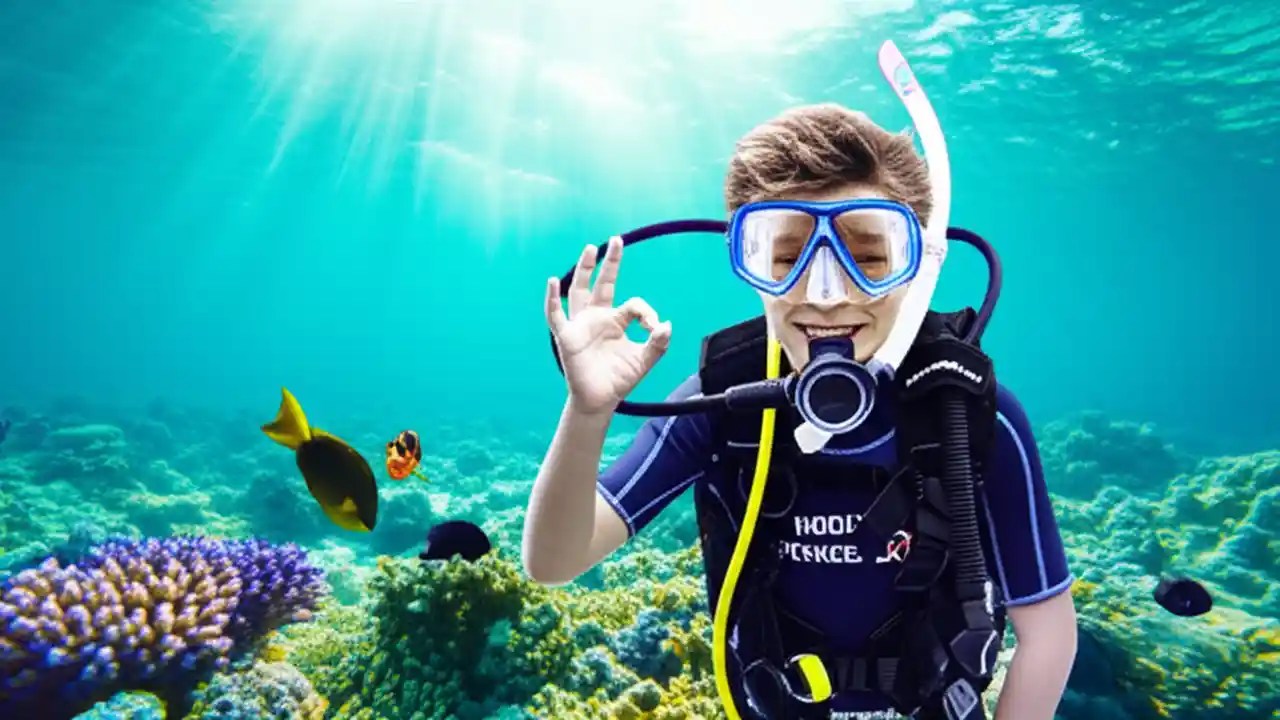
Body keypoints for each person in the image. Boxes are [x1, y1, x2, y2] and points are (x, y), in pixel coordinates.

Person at [523, 75, 1077, 720]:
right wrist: (587, 413)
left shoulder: (971, 411)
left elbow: (1048, 634)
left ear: (921, 264)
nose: (823, 292)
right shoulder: (721, 403)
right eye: (784, 256)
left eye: (870, 257)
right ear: (746, 263)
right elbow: (554, 562)